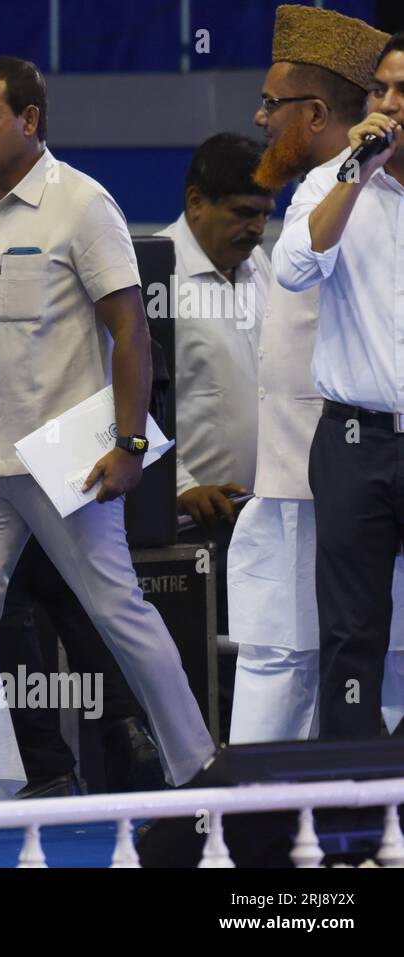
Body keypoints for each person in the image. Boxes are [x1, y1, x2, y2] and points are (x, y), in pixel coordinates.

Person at [0, 57, 215, 806]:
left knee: (116, 608)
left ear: (31, 120)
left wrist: (127, 444)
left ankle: (199, 773)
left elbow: (131, 331)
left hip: (64, 457)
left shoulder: (83, 203)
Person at [231, 5, 403, 743]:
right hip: (351, 446)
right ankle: (348, 830)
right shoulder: (335, 186)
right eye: (381, 92)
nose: (389, 106)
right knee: (348, 641)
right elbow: (298, 267)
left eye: (400, 92)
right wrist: (354, 174)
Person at [156, 133, 275, 639]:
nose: (257, 229)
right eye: (244, 212)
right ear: (196, 202)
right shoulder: (155, 276)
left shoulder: (261, 269)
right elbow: (127, 401)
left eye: (266, 214)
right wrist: (180, 486)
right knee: (208, 678)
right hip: (193, 528)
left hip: (267, 517)